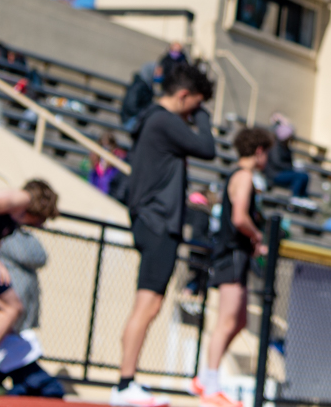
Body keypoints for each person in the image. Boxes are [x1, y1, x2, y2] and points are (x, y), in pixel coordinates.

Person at [114, 62, 217, 407]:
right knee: (147, 304)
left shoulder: (155, 121)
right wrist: (202, 115)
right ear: (185, 96)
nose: (195, 112)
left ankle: (127, 383)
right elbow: (207, 147)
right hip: (158, 223)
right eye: (195, 103)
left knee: (149, 303)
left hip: (152, 221)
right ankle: (125, 383)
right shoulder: (163, 120)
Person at [191, 126, 272, 407]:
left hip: (235, 254)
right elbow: (239, 218)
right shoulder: (245, 176)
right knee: (227, 321)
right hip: (232, 253)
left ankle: (206, 377)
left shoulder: (239, 175)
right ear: (259, 150)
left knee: (238, 321)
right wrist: (257, 235)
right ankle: (210, 383)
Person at [0, 181, 59, 361]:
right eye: (42, 219)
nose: (40, 224)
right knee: (12, 306)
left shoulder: (11, 220)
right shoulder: (24, 198)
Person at [264, 114, 311, 202]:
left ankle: (303, 197)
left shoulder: (287, 148)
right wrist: (291, 168)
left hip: (284, 172)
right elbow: (277, 162)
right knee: (299, 176)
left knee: (305, 176)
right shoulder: (275, 147)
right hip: (275, 174)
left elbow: (289, 162)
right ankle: (295, 197)